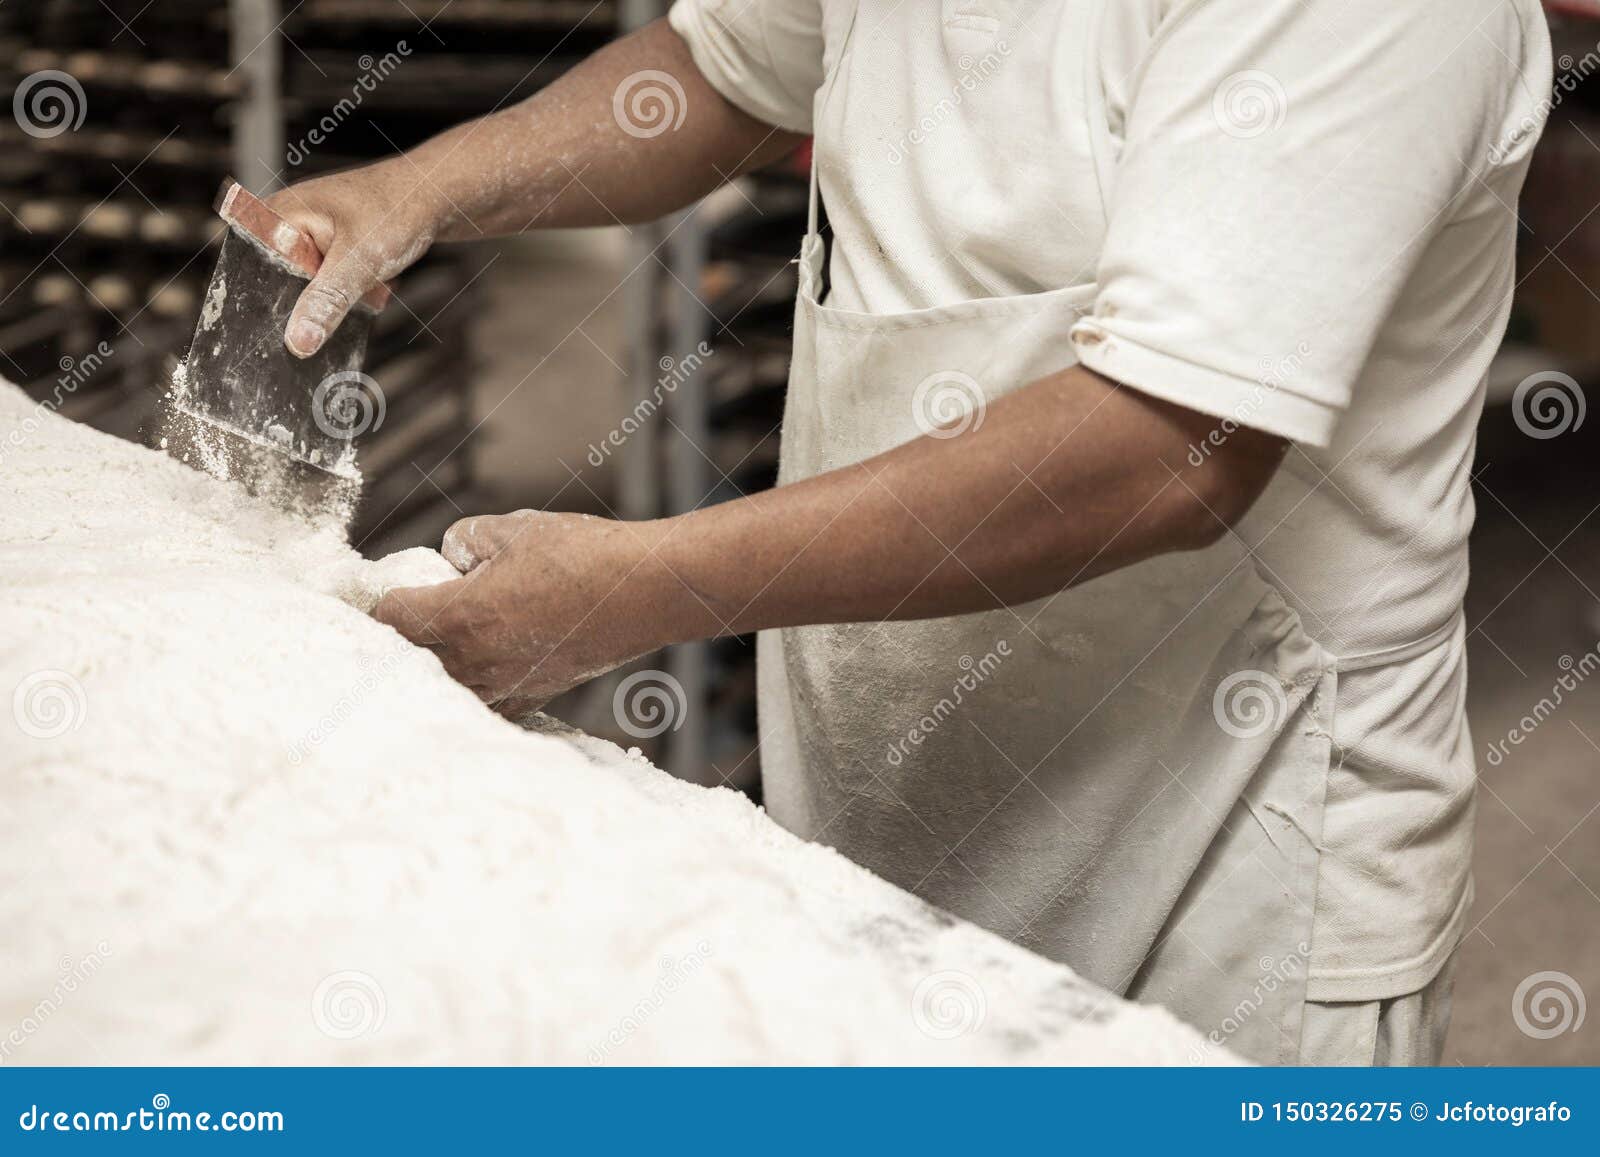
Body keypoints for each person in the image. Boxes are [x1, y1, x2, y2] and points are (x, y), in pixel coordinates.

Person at [267, 0, 1553, 1065]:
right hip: (895, 818)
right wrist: (410, 188)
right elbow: (723, 71)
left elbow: (1166, 452)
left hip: (1224, 864)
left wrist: (638, 586)